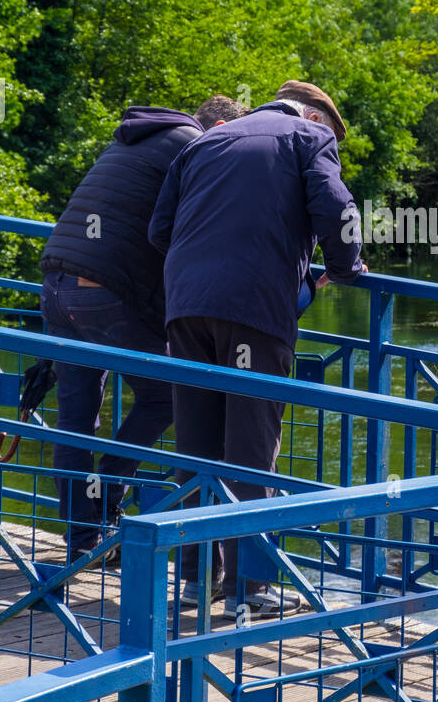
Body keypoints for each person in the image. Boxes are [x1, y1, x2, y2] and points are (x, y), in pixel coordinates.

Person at [148, 81, 366, 617]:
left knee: (197, 449)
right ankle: (249, 591)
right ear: (315, 116)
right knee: (251, 449)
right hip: (252, 309)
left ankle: (197, 582)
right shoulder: (306, 138)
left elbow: (159, 231)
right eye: (330, 130)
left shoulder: (205, 142)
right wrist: (342, 267)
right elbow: (337, 210)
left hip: (186, 307)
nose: (329, 137)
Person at [41, 95, 248, 562]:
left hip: (56, 282)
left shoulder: (140, 134)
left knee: (76, 419)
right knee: (166, 396)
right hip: (104, 291)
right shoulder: (195, 144)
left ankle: (83, 541)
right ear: (217, 126)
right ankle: (105, 500)